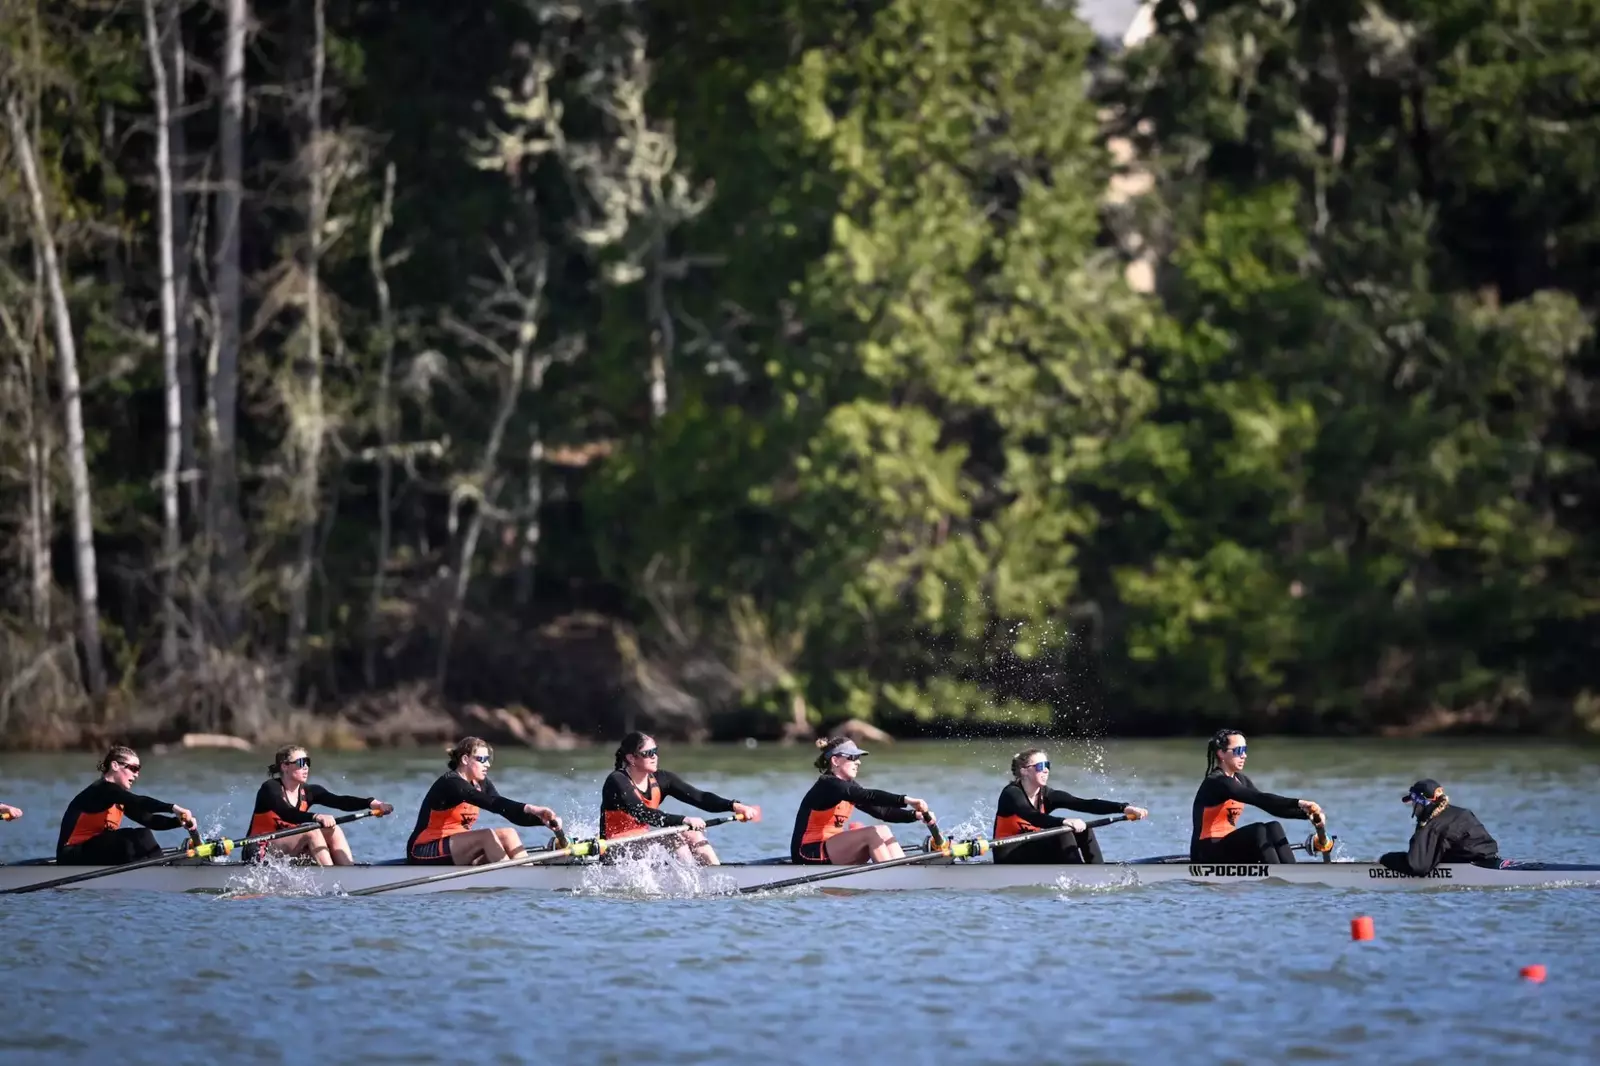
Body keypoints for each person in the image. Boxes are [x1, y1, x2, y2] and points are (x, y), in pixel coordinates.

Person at [599, 732, 760, 866]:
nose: (654, 757)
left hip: (641, 842)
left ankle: (716, 872)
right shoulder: (617, 781)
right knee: (672, 837)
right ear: (631, 758)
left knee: (693, 834)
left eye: (655, 751)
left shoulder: (662, 779)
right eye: (648, 753)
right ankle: (692, 881)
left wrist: (734, 806)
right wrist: (684, 819)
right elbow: (642, 813)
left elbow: (700, 797)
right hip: (614, 850)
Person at [405, 737, 563, 866]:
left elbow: (504, 809)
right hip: (424, 849)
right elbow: (491, 803)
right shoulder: (451, 783)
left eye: (488, 759)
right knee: (486, 836)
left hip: (456, 846)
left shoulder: (481, 783)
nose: (487, 764)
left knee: (508, 833)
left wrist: (541, 820)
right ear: (465, 759)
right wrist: (531, 808)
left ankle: (527, 873)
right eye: (482, 759)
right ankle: (515, 876)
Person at [241, 745, 393, 866]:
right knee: (311, 831)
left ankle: (348, 870)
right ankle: (332, 877)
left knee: (332, 829)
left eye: (307, 762)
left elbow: (340, 801)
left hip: (286, 846)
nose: (306, 767)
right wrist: (316, 817)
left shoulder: (309, 792)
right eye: (301, 763)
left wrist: (372, 803)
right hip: (258, 849)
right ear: (285, 766)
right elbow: (287, 813)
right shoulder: (270, 789)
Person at [789, 737, 933, 865]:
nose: (858, 762)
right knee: (872, 833)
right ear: (835, 760)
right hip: (808, 852)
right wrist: (905, 799)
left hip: (832, 847)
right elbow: (867, 795)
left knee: (884, 830)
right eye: (853, 757)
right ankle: (894, 876)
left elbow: (882, 812)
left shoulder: (849, 786)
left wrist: (915, 815)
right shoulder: (828, 785)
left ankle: (903, 870)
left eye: (858, 758)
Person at [991, 748, 1148, 864]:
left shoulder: (1047, 795)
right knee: (1064, 832)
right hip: (1009, 854)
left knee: (1084, 828)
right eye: (1040, 766)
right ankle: (1077, 874)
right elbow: (1033, 816)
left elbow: (1085, 804)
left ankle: (1098, 871)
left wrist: (1124, 808)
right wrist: (1064, 821)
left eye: (1047, 765)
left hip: (1034, 849)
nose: (1045, 770)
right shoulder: (1011, 794)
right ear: (1024, 771)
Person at [1189, 730, 1324, 863]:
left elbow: (1269, 806)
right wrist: (1299, 802)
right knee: (1258, 830)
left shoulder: (1241, 780)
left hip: (1227, 846)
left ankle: (1291, 871)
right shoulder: (1217, 781)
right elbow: (1258, 798)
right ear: (1221, 753)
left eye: (1245, 750)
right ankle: (1278, 872)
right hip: (1205, 851)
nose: (1244, 755)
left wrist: (1308, 815)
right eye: (1238, 751)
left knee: (1274, 827)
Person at [55, 746, 198, 864]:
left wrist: (179, 821)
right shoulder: (100, 790)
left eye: (138, 770)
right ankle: (162, 870)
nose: (136, 775)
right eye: (133, 768)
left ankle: (158, 867)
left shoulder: (119, 799)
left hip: (94, 850)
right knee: (135, 837)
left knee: (141, 835)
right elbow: (139, 801)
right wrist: (172, 808)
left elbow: (150, 820)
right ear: (115, 766)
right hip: (71, 854)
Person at [1379, 779, 1500, 876]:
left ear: (1420, 803)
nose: (1413, 806)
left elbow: (1418, 867)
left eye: (1413, 802)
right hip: (1489, 857)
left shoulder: (1433, 826)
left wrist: (1385, 859)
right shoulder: (1461, 813)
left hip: (1473, 866)